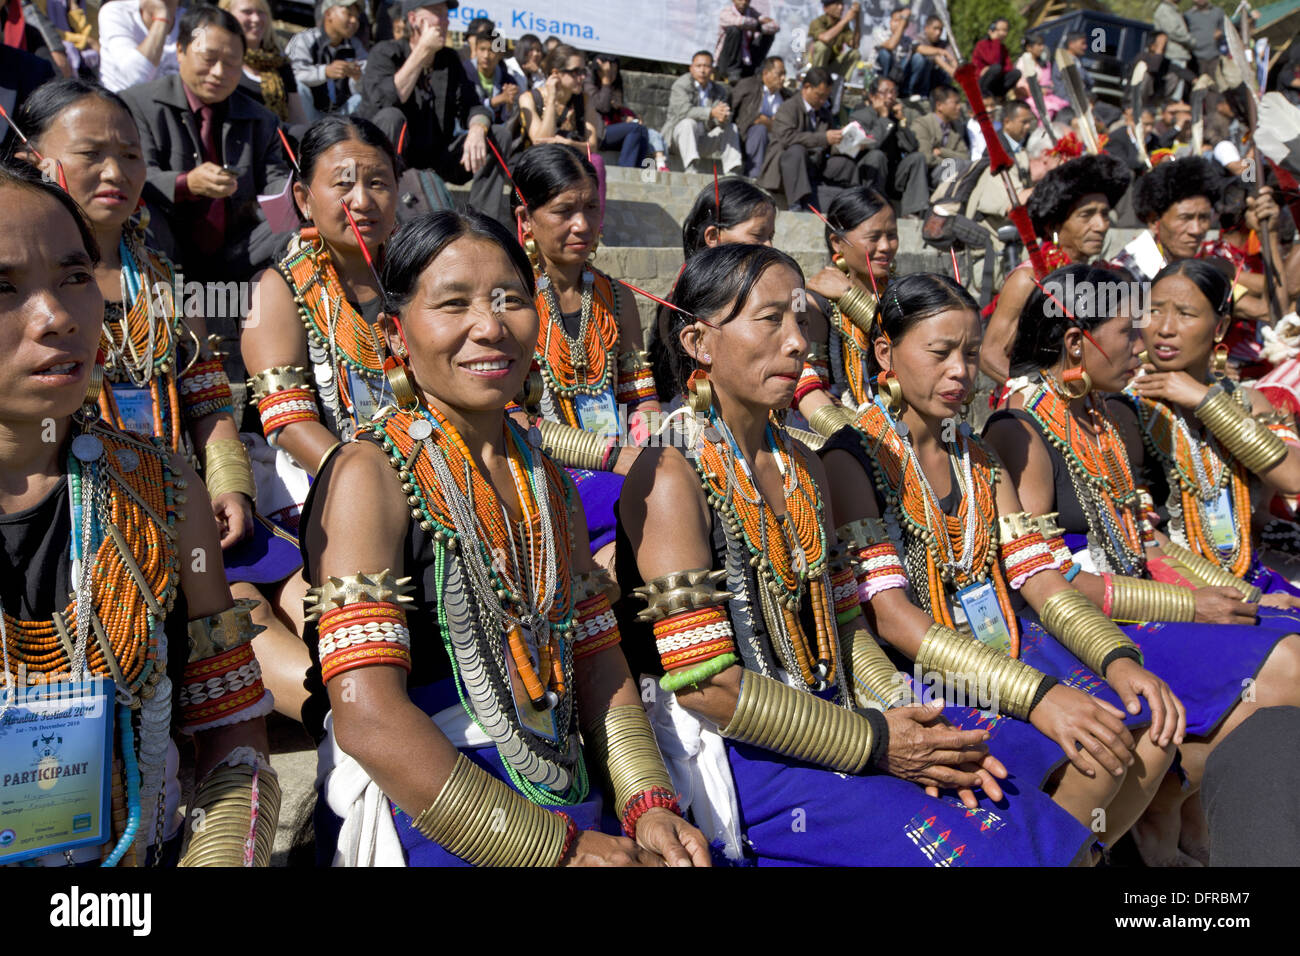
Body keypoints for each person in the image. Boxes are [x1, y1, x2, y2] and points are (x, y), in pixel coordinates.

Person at [618, 242, 1094, 866]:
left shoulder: (804, 464)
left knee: (1036, 815)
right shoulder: (671, 471)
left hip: (842, 712)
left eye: (801, 321)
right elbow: (709, 687)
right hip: (756, 753)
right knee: (990, 851)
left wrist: (904, 717)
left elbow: (845, 627)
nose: (798, 344)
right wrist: (878, 742)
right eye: (771, 320)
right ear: (699, 343)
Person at [302, 208, 710, 867]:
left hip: (568, 784)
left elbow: (599, 660)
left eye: (511, 301)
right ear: (393, 331)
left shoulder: (543, 480)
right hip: (436, 805)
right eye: (453, 303)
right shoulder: (367, 476)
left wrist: (649, 800)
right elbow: (368, 718)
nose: (490, 327)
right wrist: (563, 851)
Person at [817, 273, 1183, 850]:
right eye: (939, 354)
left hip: (1004, 645)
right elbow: (891, 618)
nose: (960, 372)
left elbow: (1039, 575)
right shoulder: (853, 458)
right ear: (885, 352)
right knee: (1096, 756)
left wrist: (1115, 656)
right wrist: (1038, 697)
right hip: (922, 672)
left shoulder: (977, 455)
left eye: (968, 353)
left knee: (1154, 729)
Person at [0, 159, 276, 867]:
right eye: (3, 288)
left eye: (72, 277)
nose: (58, 316)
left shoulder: (161, 489)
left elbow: (229, 729)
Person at [984, 263, 1300, 865]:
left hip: (1144, 594)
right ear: (1077, 343)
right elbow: (1055, 578)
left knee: (1287, 636)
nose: (1146, 339)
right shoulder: (1017, 431)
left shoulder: (1114, 416)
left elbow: (1149, 542)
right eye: (1131, 330)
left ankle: (1174, 800)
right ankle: (1168, 812)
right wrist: (1191, 604)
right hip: (1082, 622)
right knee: (1286, 666)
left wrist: (1241, 596)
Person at [11, 78, 259, 620]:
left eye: (130, 155)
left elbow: (208, 403)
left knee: (242, 613)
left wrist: (228, 489)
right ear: (33, 161)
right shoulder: (22, 301)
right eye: (90, 154)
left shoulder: (164, 288)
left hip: (177, 508)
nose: (115, 173)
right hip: (70, 518)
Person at [239, 115, 400, 728]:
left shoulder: (422, 277)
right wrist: (366, 479)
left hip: (434, 473)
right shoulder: (277, 288)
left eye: (380, 182)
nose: (363, 200)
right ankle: (343, 718)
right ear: (304, 198)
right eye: (343, 184)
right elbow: (288, 421)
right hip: (319, 486)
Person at [1113, 258, 1300, 594]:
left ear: (1220, 327)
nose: (1165, 328)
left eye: (1185, 314)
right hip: (1179, 590)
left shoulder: (1247, 401)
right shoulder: (1124, 405)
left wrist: (1206, 401)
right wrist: (1242, 596)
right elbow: (1136, 532)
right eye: (1154, 311)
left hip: (1250, 574)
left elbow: (1293, 478)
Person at [511, 145, 652, 570]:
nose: (583, 224)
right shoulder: (509, 303)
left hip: (621, 459)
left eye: (592, 207)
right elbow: (510, 418)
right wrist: (612, 458)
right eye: (564, 210)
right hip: (543, 463)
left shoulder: (617, 298)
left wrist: (648, 451)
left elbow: (640, 396)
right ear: (526, 220)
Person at [119, 5, 292, 283]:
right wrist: (185, 184)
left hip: (240, 248)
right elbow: (135, 174)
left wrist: (294, 199)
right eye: (209, 58)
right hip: (166, 246)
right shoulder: (138, 105)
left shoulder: (261, 119)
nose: (219, 72)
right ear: (180, 51)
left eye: (232, 63)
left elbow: (275, 180)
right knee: (140, 214)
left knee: (294, 221)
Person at [981, 152, 1131, 385]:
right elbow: (990, 355)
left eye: (1104, 214)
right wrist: (1038, 395)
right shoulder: (1028, 279)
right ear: (1054, 225)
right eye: (1086, 215)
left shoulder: (1110, 278)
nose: (1100, 226)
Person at [358, 0, 512, 226]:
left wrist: (478, 128)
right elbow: (385, 100)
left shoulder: (449, 59)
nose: (445, 21)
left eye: (446, 16)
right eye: (437, 14)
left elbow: (473, 105)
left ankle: (482, 225)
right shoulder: (385, 52)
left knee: (498, 135)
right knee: (391, 117)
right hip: (394, 159)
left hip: (437, 156)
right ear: (413, 19)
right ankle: (382, 212)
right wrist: (422, 51)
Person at [794, 186, 896, 426]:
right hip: (848, 430)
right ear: (837, 243)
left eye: (892, 235)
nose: (885, 247)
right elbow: (815, 387)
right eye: (874, 238)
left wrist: (849, 297)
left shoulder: (906, 293)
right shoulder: (815, 302)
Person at [757, 67, 859, 211]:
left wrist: (847, 142)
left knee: (844, 163)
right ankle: (797, 204)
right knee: (796, 151)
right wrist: (824, 138)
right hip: (787, 170)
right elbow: (787, 138)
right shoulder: (788, 107)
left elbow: (828, 145)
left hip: (813, 167)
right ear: (806, 88)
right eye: (819, 95)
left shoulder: (824, 113)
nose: (823, 101)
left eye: (826, 97)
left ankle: (852, 203)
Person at [1110, 155, 1221, 282]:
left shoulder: (1208, 263)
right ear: (1153, 221)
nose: (1196, 230)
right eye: (1185, 218)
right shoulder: (1126, 274)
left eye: (1203, 218)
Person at [850, 74, 929, 218]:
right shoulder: (860, 115)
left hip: (891, 174)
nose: (890, 97)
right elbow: (873, 144)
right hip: (869, 171)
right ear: (873, 96)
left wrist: (902, 121)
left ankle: (913, 211)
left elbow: (912, 147)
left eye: (893, 92)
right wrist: (884, 118)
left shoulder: (895, 118)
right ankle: (873, 207)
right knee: (877, 155)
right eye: (885, 92)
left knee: (917, 158)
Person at [219, 0, 305, 124]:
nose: (256, 19)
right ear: (227, 14)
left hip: (277, 139)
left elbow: (298, 117)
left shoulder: (279, 62)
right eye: (247, 12)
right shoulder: (219, 60)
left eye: (261, 12)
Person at [660, 49, 741, 175]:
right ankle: (691, 167)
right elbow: (684, 112)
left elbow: (719, 114)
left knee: (731, 127)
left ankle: (732, 170)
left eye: (706, 66)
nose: (702, 70)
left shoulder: (719, 90)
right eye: (698, 66)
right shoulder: (681, 85)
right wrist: (711, 113)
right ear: (691, 68)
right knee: (688, 123)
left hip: (703, 141)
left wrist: (722, 118)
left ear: (712, 69)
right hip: (677, 141)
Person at [286, 0, 367, 122]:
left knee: (366, 96)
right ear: (328, 13)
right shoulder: (304, 39)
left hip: (341, 115)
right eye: (349, 14)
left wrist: (357, 77)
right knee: (298, 86)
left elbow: (368, 85)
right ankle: (301, 135)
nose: (354, 21)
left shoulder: (355, 46)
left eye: (357, 17)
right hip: (308, 115)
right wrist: (325, 72)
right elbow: (291, 76)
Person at [519, 43, 598, 155]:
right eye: (576, 72)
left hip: (569, 160)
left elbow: (592, 148)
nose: (583, 77)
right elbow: (541, 145)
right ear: (556, 73)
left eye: (583, 71)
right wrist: (551, 99)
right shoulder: (529, 98)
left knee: (597, 161)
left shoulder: (585, 100)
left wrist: (566, 143)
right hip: (536, 163)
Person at [679, 175, 776, 259]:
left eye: (770, 237)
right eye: (757, 235)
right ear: (713, 237)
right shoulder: (695, 280)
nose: (770, 247)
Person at [97, 0, 183, 93]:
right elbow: (135, 79)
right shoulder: (116, 12)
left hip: (170, 103)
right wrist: (161, 18)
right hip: (121, 102)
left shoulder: (191, 21)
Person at [725, 54, 787, 177]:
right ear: (766, 73)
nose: (783, 78)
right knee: (759, 130)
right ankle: (754, 176)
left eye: (784, 74)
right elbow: (735, 111)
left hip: (776, 137)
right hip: (748, 136)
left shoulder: (786, 96)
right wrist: (766, 122)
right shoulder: (748, 85)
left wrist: (768, 122)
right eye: (779, 74)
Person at [462, 16, 517, 126]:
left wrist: (509, 102)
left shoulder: (507, 80)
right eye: (482, 49)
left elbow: (506, 119)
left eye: (492, 50)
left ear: (500, 54)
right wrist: (497, 100)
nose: (486, 56)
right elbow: (464, 109)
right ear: (475, 50)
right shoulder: (464, 72)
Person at [913, 83, 970, 187]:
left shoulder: (956, 127)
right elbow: (926, 158)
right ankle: (946, 199)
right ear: (939, 105)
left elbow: (965, 156)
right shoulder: (922, 124)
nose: (959, 107)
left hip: (952, 170)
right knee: (955, 165)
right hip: (929, 174)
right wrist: (950, 161)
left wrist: (941, 151)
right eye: (955, 103)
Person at [714, 0, 777, 84]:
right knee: (734, 30)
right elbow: (740, 22)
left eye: (746, 0)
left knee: (768, 34)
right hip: (727, 62)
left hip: (746, 60)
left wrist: (759, 26)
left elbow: (775, 26)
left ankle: (757, 68)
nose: (743, 3)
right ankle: (733, 71)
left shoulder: (752, 12)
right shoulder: (726, 13)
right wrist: (757, 24)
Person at [970, 97, 1035, 165]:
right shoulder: (994, 151)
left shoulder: (1031, 141)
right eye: (1024, 122)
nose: (1028, 126)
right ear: (1007, 122)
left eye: (1029, 122)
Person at [807, 0, 860, 78]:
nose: (841, 7)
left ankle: (841, 84)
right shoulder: (817, 22)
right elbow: (825, 38)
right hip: (816, 66)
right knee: (822, 46)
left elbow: (854, 45)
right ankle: (817, 79)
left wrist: (857, 19)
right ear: (826, 8)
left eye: (842, 4)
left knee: (855, 54)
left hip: (833, 66)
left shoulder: (843, 25)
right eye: (837, 4)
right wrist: (845, 20)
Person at [1152, 0, 1194, 99]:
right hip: (1172, 56)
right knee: (1172, 94)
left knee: (1177, 92)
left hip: (1179, 55)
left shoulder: (1173, 10)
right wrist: (1192, 41)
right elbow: (1174, 32)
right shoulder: (1165, 10)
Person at [971, 18, 1021, 99]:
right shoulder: (982, 44)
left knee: (1016, 73)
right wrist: (995, 41)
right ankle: (984, 96)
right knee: (996, 68)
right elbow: (992, 61)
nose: (1003, 33)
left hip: (995, 81)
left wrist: (998, 70)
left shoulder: (1002, 48)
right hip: (982, 81)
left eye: (1005, 30)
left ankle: (999, 97)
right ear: (992, 30)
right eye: (999, 30)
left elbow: (1009, 67)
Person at [1184, 0, 1225, 77]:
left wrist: (1220, 32)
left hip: (1215, 56)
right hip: (1196, 58)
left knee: (1216, 85)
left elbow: (1224, 28)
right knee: (1200, 85)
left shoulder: (1218, 12)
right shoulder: (1187, 15)